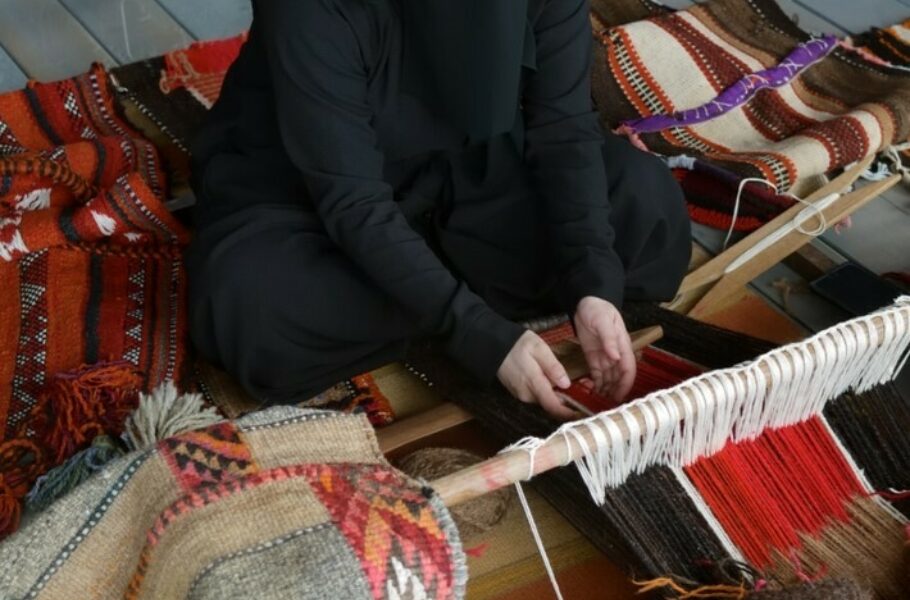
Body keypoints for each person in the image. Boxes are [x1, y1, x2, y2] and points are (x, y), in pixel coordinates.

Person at [186, 0, 691, 420]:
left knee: (644, 204)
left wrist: (592, 283)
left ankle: (420, 297)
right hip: (309, 190)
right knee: (249, 312)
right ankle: (452, 300)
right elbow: (352, 202)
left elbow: (563, 131)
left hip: (467, 163)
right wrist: (481, 336)